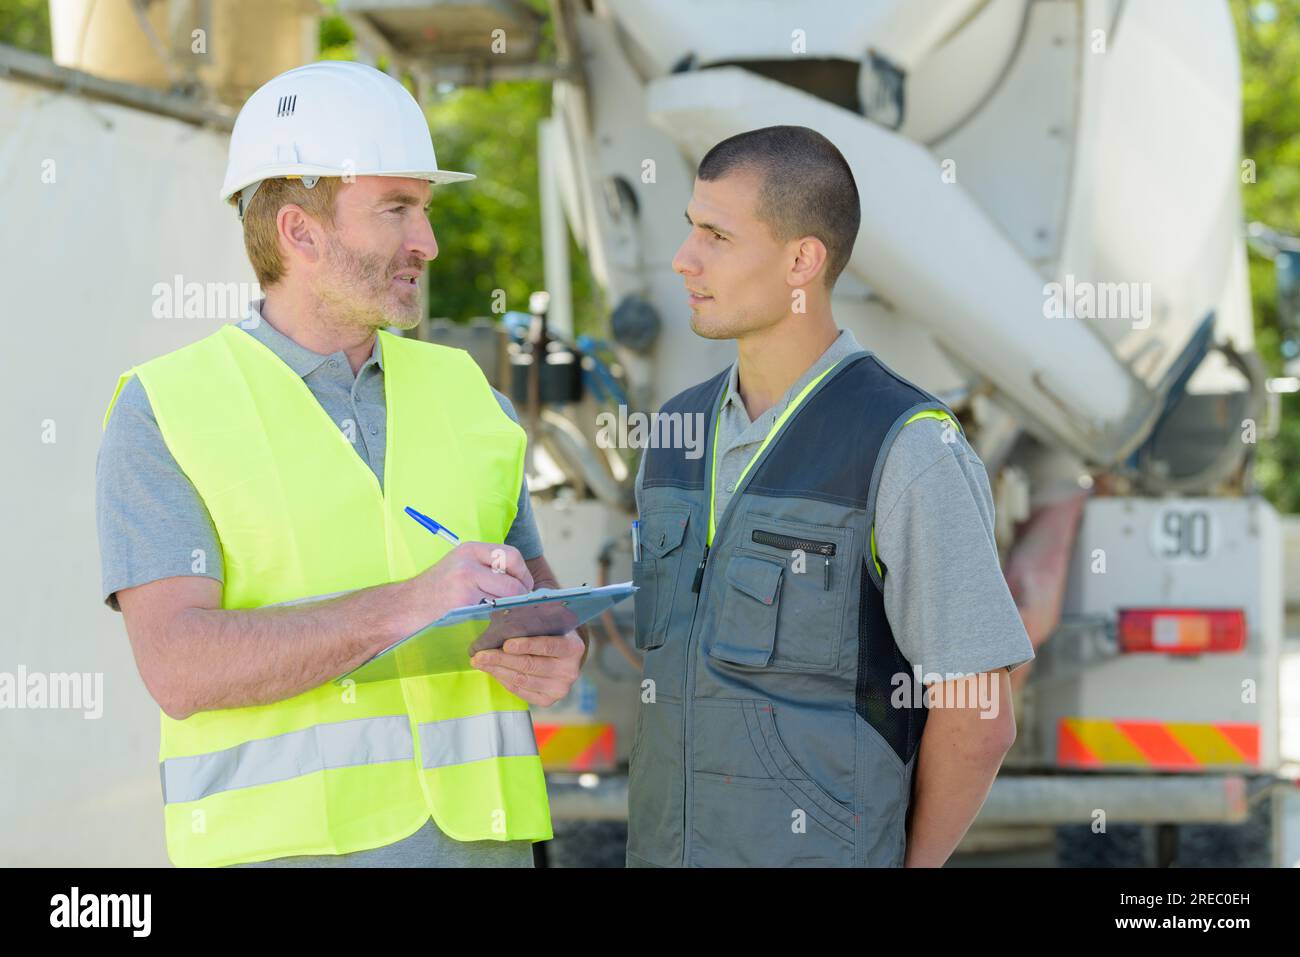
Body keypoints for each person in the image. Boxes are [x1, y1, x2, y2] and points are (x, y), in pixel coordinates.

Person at [95, 60, 584, 868]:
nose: (426, 243)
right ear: (299, 231)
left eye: (424, 210)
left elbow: (541, 600)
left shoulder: (470, 394)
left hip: (490, 851)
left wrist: (556, 645)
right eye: (395, 210)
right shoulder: (166, 410)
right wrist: (409, 605)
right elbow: (178, 665)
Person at [627, 125, 1034, 867]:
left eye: (717, 234)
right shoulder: (675, 430)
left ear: (802, 261)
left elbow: (978, 717)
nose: (685, 258)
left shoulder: (907, 444)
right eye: (691, 228)